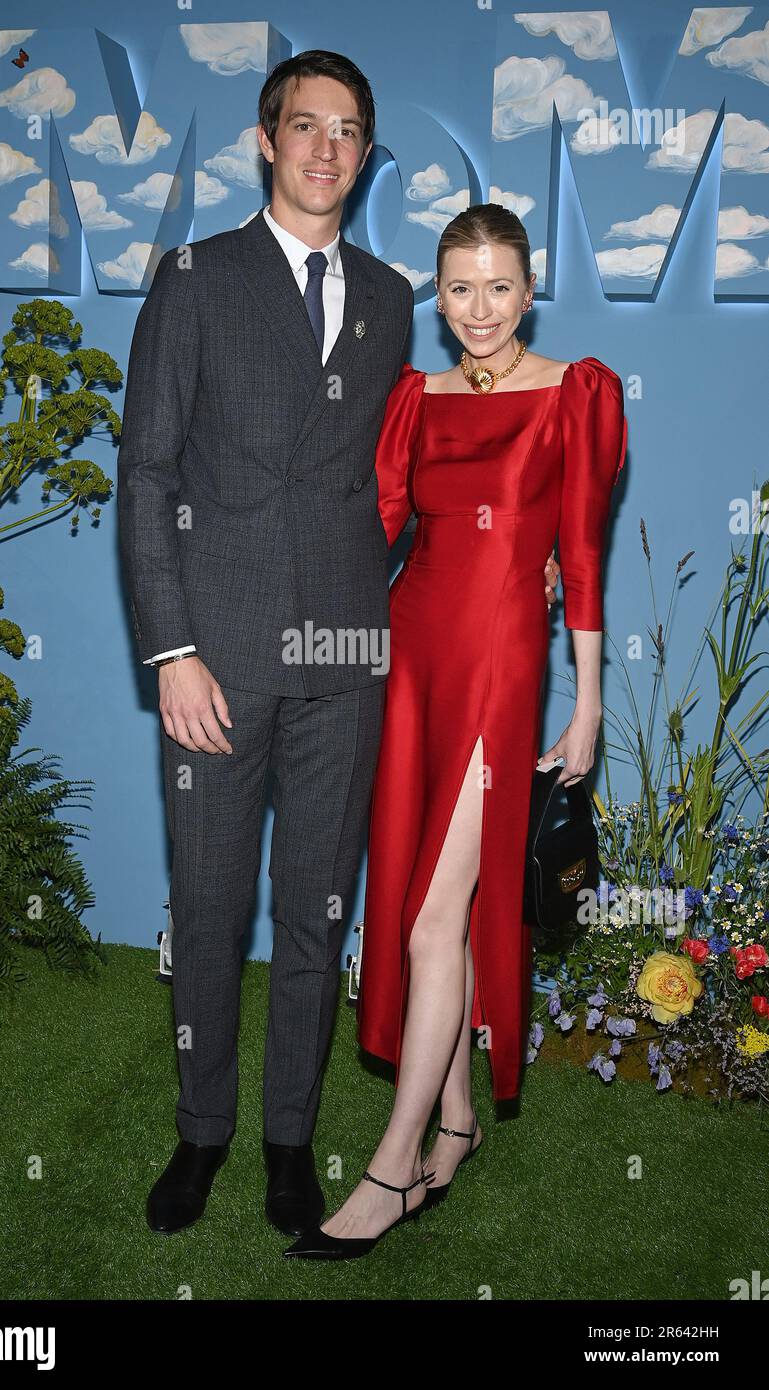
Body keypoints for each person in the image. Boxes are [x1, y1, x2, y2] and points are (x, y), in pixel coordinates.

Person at [118, 51, 561, 1240]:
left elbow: (423, 470)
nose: (327, 148)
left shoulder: (386, 299)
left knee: (316, 914)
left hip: (352, 664)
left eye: (350, 131)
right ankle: (202, 1132)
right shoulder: (196, 277)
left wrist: (532, 541)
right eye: (305, 126)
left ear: (364, 157)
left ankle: (287, 1141)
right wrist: (172, 654)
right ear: (267, 141)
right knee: (209, 910)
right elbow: (148, 471)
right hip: (217, 665)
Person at [284, 203, 627, 1260]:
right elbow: (371, 533)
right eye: (459, 287)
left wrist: (588, 700)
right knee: (436, 897)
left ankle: (392, 1170)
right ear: (437, 295)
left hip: (498, 669)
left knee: (431, 920)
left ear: (530, 291)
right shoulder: (410, 400)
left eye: (499, 287)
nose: (479, 309)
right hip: (410, 663)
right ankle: (458, 1120)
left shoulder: (575, 393)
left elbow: (578, 553)